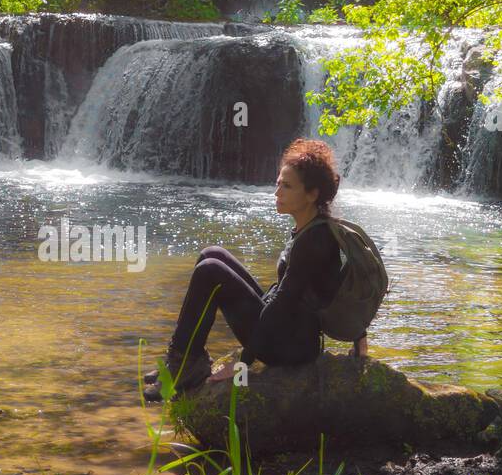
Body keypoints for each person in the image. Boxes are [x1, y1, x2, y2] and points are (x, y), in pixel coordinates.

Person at [143, 138, 363, 402]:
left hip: (290, 347)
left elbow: (284, 303)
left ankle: (185, 364)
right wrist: (360, 338)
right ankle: (184, 355)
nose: (277, 192)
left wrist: (243, 362)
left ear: (312, 194)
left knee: (210, 270)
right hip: (289, 331)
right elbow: (335, 286)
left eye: (287, 186)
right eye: (278, 183)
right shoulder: (311, 226)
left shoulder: (316, 241)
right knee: (212, 254)